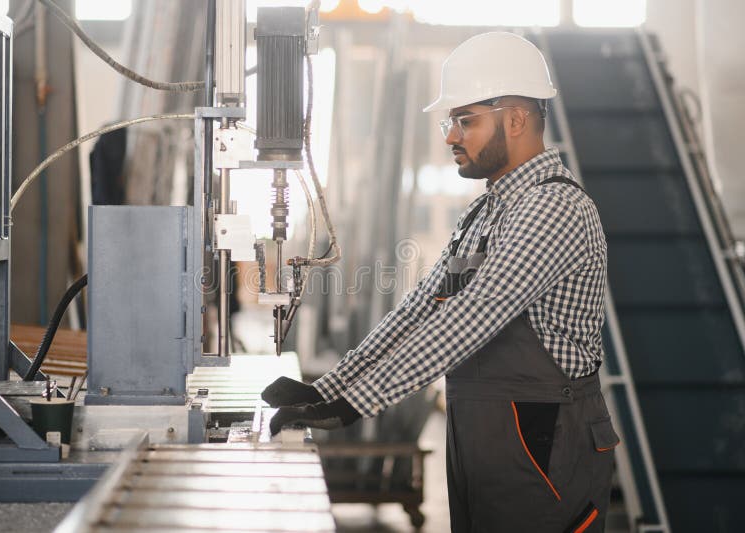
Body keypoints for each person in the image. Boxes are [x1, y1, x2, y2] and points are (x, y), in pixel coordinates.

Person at [262, 32, 618, 532]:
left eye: (464, 119)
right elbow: (419, 312)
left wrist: (353, 406)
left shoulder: (553, 208)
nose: (450, 135)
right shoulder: (486, 211)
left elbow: (469, 320)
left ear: (515, 118)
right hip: (488, 445)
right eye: (451, 121)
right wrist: (329, 388)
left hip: (545, 452)